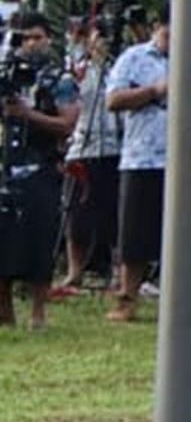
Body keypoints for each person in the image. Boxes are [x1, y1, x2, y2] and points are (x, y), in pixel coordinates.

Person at [0, 12, 78, 329]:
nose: (30, 44)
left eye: (36, 37)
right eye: (23, 37)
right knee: (4, 241)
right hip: (6, 165)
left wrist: (27, 114)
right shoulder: (5, 73)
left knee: (40, 239)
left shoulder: (58, 79)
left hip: (42, 167)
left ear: (48, 38)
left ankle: (38, 313)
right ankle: (5, 314)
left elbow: (67, 124)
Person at [104, 9, 169, 323]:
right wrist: (153, 91)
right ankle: (127, 297)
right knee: (134, 233)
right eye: (169, 33)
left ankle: (180, 300)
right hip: (142, 156)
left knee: (181, 231)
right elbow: (113, 100)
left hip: (187, 159)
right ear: (157, 27)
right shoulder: (134, 57)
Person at [61, 24, 121, 291]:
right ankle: (75, 272)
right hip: (82, 147)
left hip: (113, 147)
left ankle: (117, 272)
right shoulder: (75, 67)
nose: (100, 44)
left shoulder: (115, 68)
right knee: (78, 212)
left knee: (113, 213)